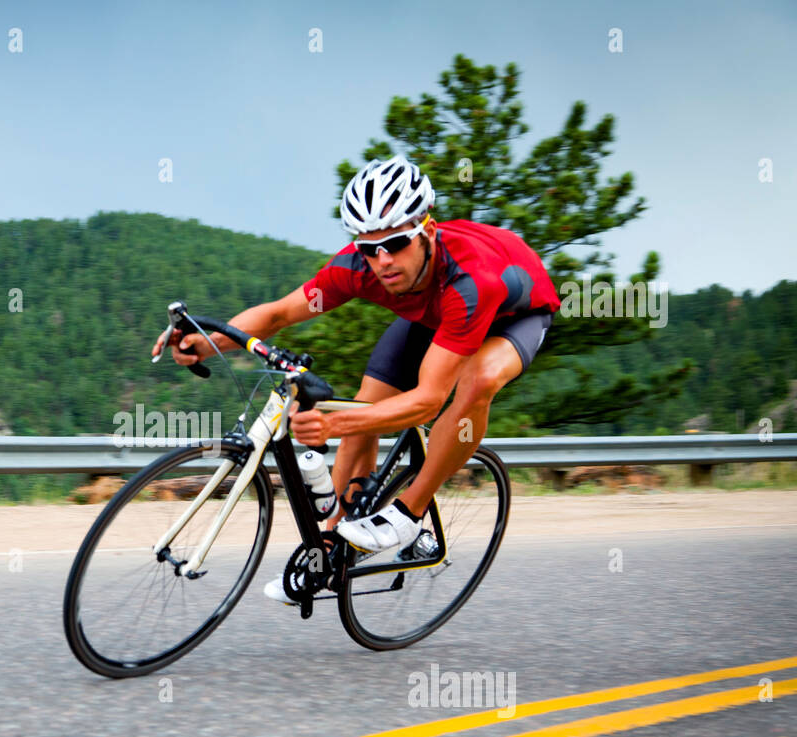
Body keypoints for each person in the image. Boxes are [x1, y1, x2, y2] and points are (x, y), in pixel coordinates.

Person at [152, 155, 561, 604]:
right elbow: (278, 314)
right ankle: (332, 547)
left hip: (512, 316)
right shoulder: (359, 267)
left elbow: (427, 401)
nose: (382, 260)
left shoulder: (471, 281)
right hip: (430, 316)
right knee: (367, 403)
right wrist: (208, 341)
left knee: (477, 380)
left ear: (426, 231)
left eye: (396, 243)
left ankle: (410, 511)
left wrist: (333, 425)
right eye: (369, 247)